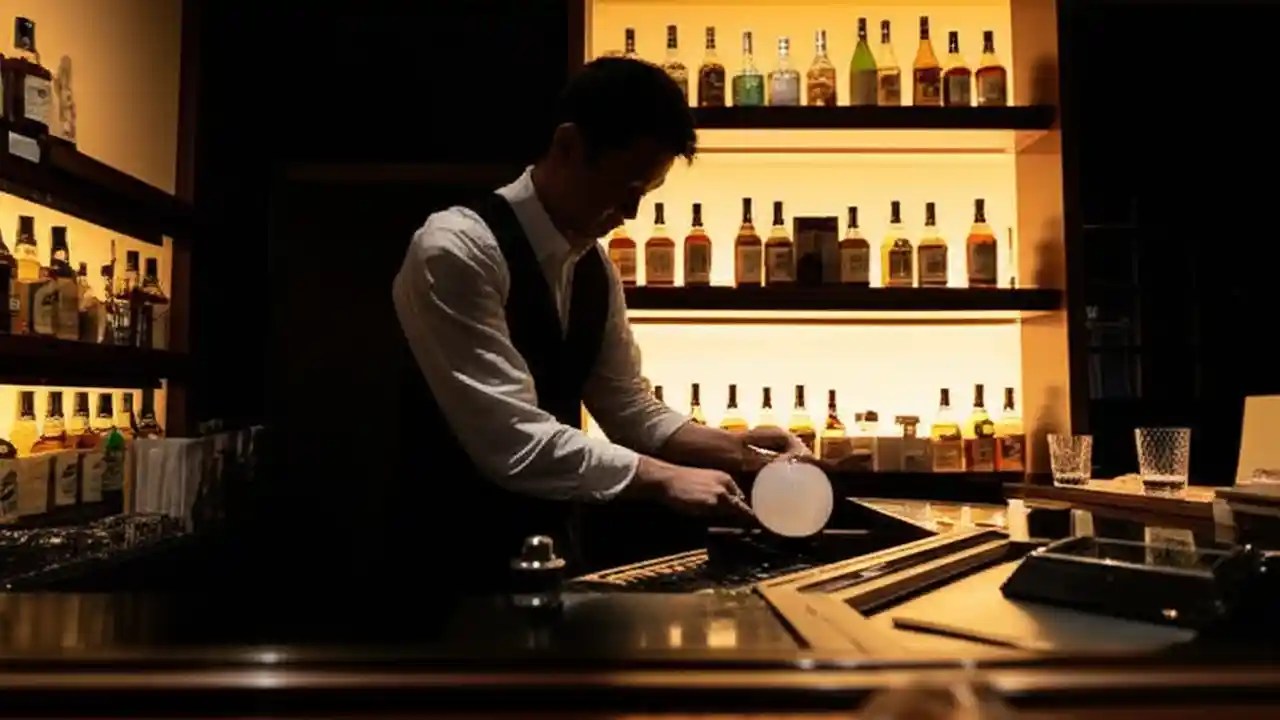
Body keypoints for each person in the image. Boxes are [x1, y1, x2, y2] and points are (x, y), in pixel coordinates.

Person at [391, 57, 807, 590]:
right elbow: (513, 441)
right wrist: (663, 478)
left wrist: (742, 451)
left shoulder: (592, 265)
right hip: (442, 565)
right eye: (626, 185)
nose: (632, 213)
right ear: (568, 146)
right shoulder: (455, 250)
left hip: (550, 554)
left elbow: (629, 407)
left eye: (647, 193)